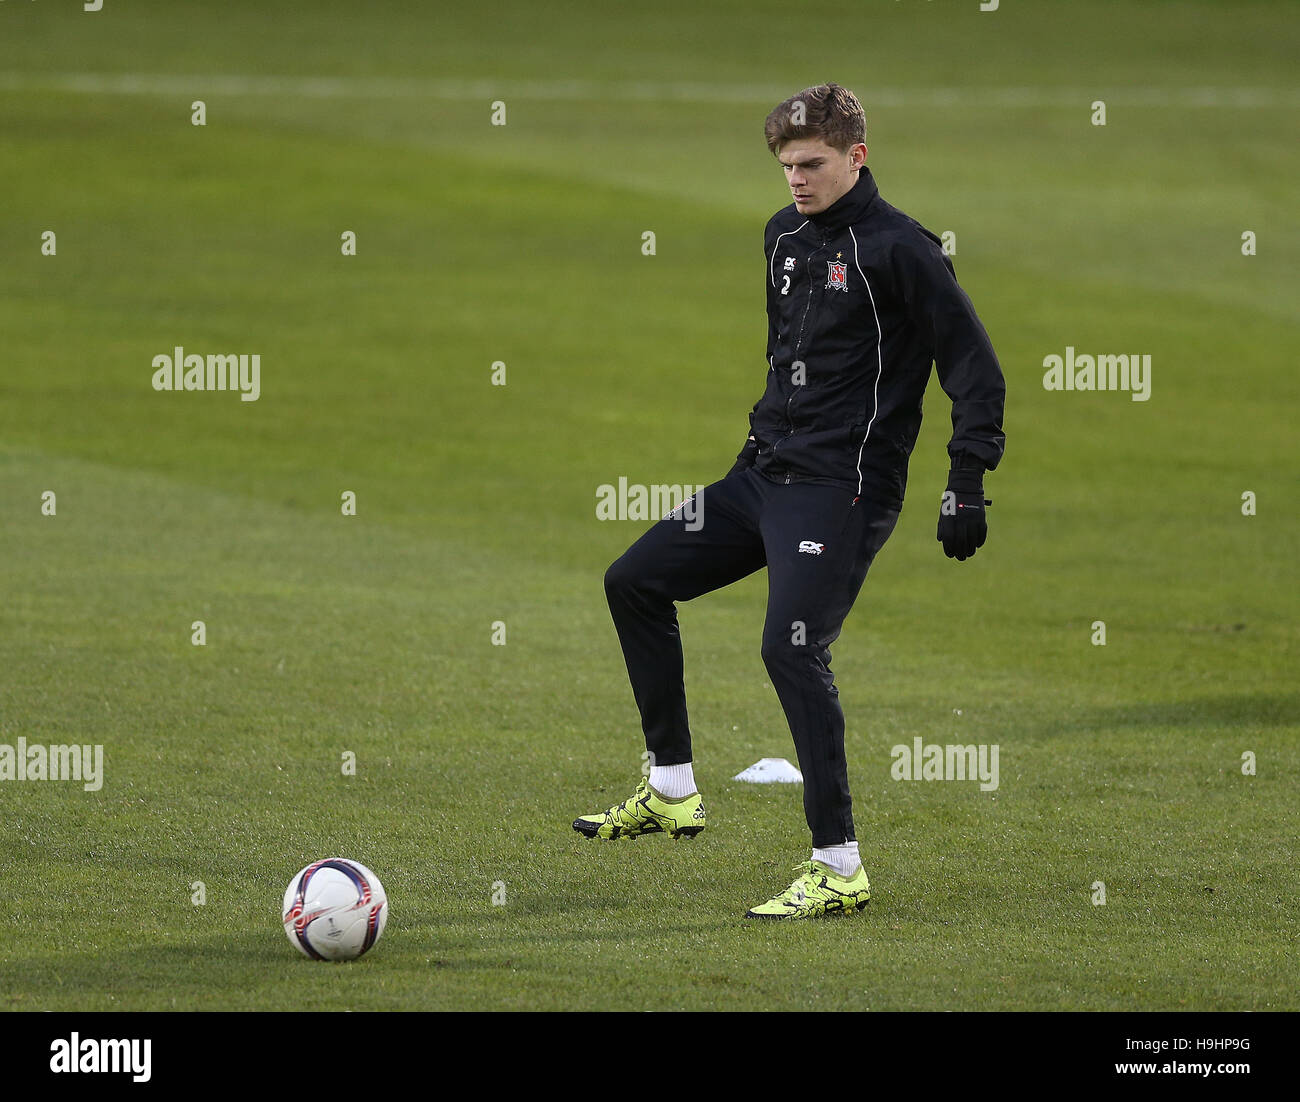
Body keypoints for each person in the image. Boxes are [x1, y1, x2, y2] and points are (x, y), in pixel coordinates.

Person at [574, 82, 1006, 919]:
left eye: (812, 164)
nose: (797, 181)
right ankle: (671, 789)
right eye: (786, 166)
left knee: (791, 647)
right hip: (761, 478)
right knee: (633, 580)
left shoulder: (903, 251)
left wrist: (967, 479)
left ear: (857, 155)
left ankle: (839, 866)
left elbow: (974, 369)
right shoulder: (781, 237)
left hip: (842, 490)